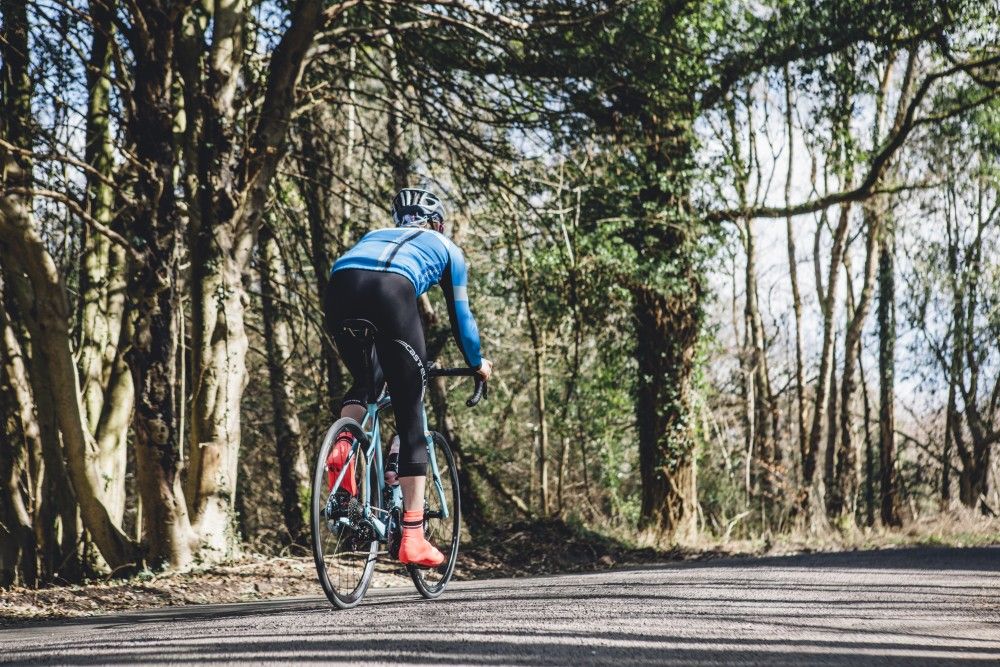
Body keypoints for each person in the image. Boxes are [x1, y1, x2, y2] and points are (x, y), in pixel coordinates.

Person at [324, 187, 493, 567]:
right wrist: (477, 361)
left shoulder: (374, 236)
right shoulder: (447, 249)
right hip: (391, 291)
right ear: (438, 223)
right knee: (410, 412)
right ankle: (413, 537)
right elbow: (462, 319)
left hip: (341, 286)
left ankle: (344, 445)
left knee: (367, 384)